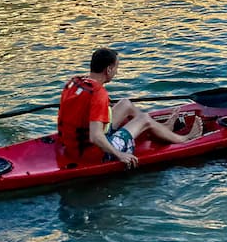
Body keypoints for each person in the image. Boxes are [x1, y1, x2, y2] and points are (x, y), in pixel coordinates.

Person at [57, 48, 202, 167]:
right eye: (116, 68)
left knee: (125, 104)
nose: (116, 72)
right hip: (94, 154)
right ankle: (184, 139)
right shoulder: (98, 94)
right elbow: (95, 136)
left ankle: (162, 129)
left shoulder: (75, 82)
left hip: (73, 146)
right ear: (108, 69)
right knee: (144, 119)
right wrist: (119, 155)